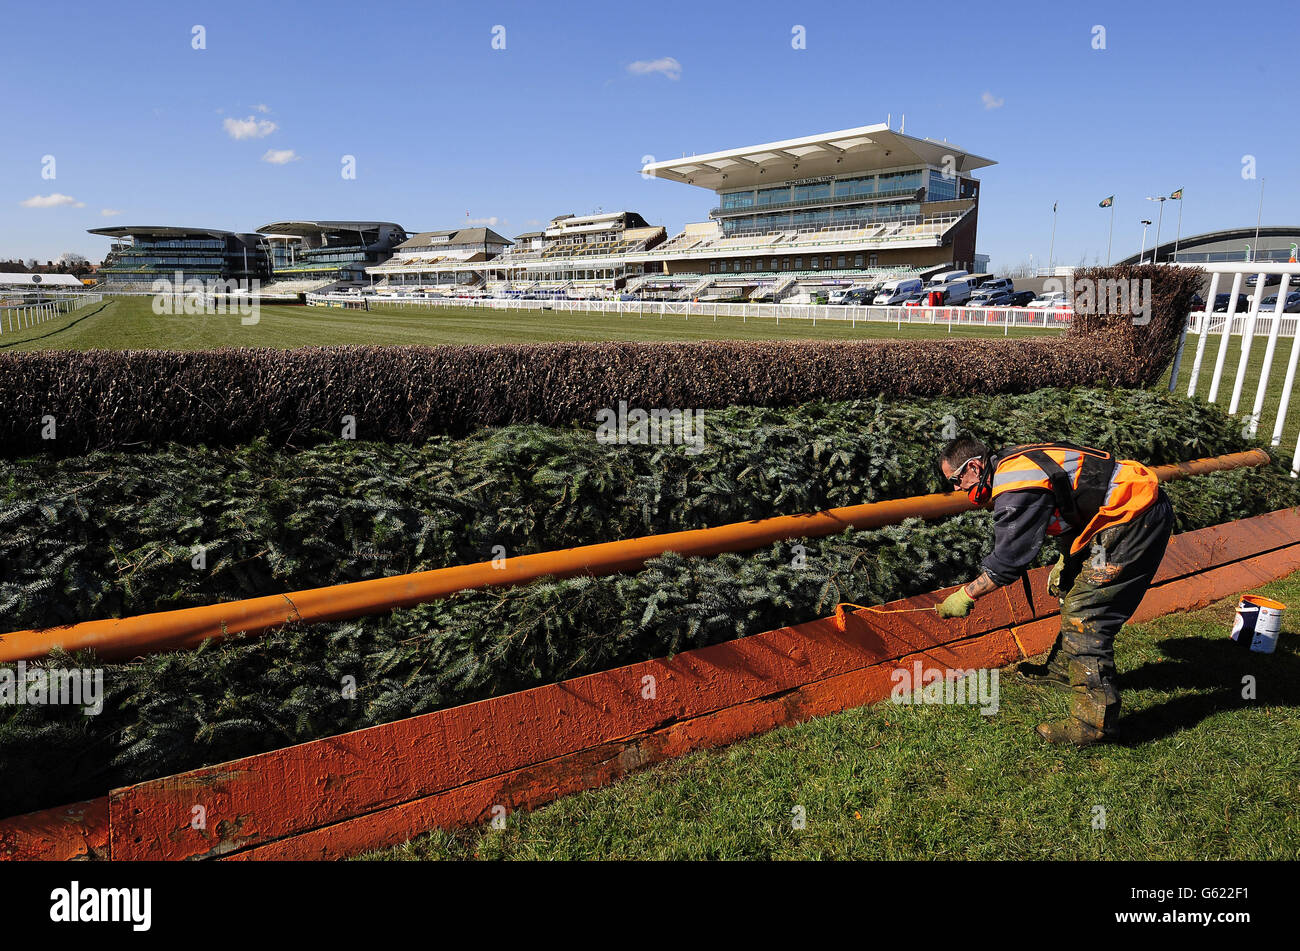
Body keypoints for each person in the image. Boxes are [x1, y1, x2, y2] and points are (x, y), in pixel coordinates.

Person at [935, 437, 1175, 746]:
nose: (957, 489)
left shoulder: (1014, 486)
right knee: (1071, 588)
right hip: (1122, 511)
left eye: (956, 481)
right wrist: (1068, 559)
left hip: (1135, 516)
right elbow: (1070, 503)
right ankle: (1064, 670)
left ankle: (1094, 723)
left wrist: (965, 595)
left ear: (975, 467)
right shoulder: (1013, 463)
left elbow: (1007, 561)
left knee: (1086, 614)